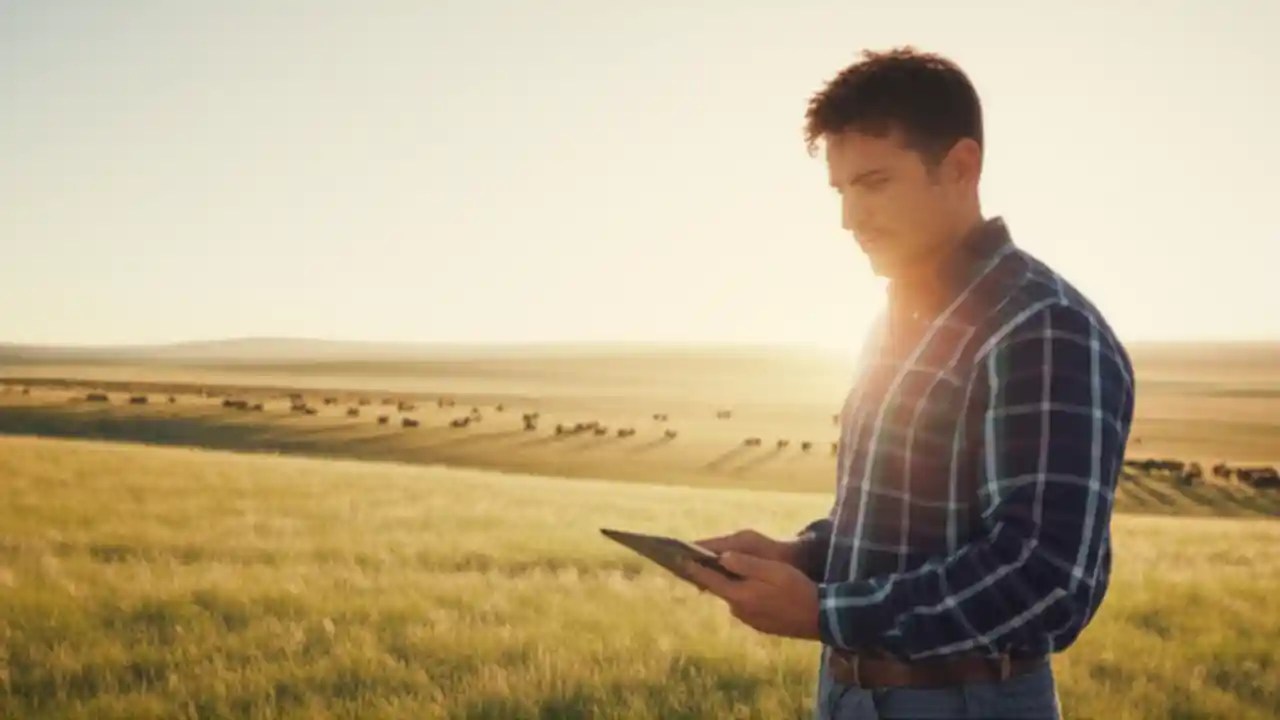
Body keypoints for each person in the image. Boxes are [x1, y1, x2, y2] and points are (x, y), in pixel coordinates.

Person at [679, 46, 1136, 719]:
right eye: (840, 190)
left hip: (962, 701)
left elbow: (1044, 577)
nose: (849, 218)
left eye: (874, 182)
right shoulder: (894, 321)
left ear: (959, 167)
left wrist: (824, 611)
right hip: (848, 695)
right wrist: (801, 556)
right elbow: (895, 521)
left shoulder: (1042, 328)